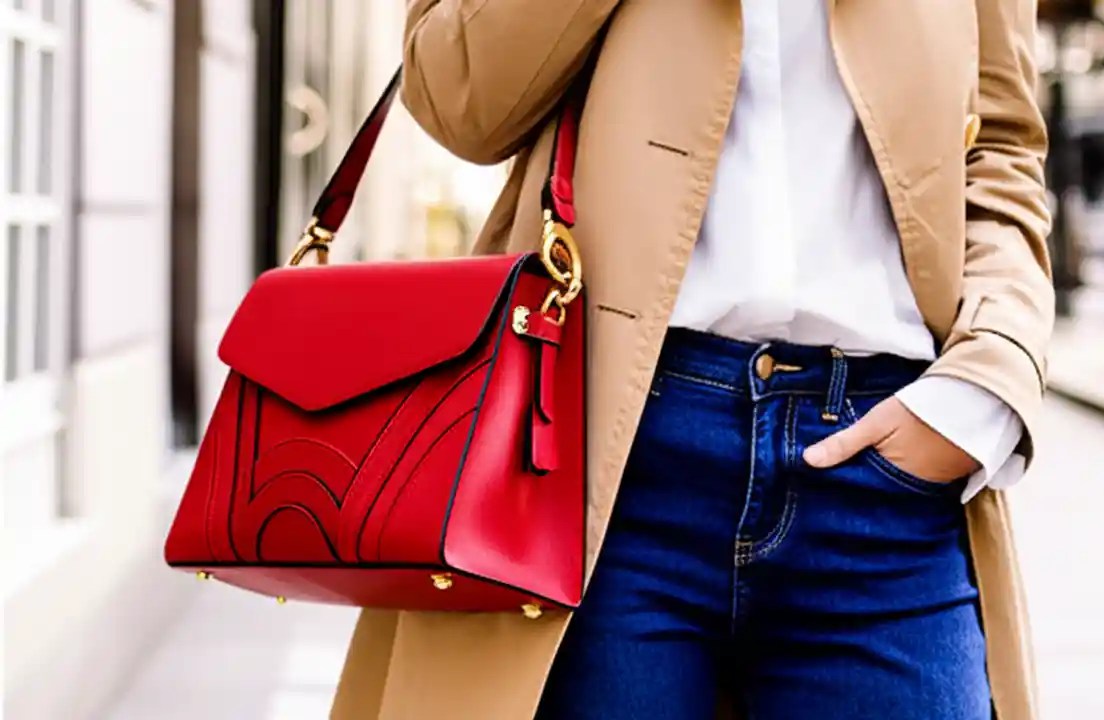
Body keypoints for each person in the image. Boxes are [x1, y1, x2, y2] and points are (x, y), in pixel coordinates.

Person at [334, 1, 1052, 719]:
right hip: (603, 468)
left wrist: (985, 379)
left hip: (884, 473)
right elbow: (461, 99)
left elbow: (1002, 151)